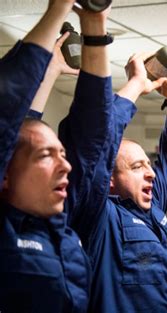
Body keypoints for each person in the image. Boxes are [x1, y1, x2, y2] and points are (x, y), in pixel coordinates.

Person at [59, 45, 167, 311]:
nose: (151, 172)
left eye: (148, 165)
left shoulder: (150, 208)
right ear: (108, 179)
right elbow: (94, 150)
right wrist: (134, 86)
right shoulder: (96, 215)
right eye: (137, 166)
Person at [0, 1, 91, 312]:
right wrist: (58, 10)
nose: (66, 166)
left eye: (62, 154)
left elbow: (27, 128)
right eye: (46, 156)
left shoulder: (61, 228)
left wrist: (50, 70)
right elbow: (8, 110)